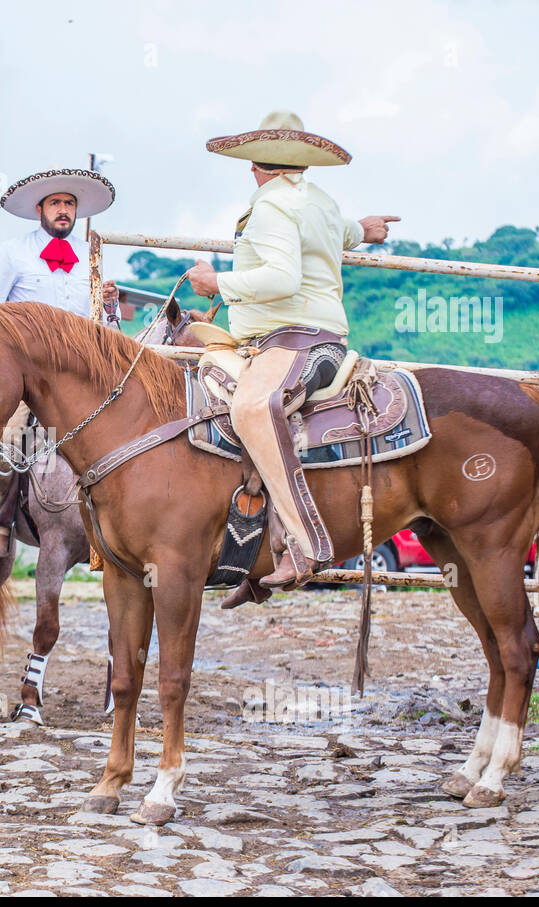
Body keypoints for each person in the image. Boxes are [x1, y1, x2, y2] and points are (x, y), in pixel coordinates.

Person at [185, 111, 398, 593]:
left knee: (252, 407)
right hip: (311, 337)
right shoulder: (318, 202)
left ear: (256, 166)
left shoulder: (270, 207)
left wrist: (214, 281)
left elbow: (283, 279)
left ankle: (305, 544)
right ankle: (255, 549)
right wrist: (368, 230)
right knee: (213, 376)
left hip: (292, 340)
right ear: (299, 165)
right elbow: (346, 233)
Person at [0, 168, 121, 557]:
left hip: (84, 373)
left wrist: (108, 306)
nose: (63, 211)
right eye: (55, 203)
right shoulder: (11, 253)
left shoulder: (92, 256)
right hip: (28, 376)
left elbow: (104, 326)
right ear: (39, 209)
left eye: (69, 204)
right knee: (7, 441)